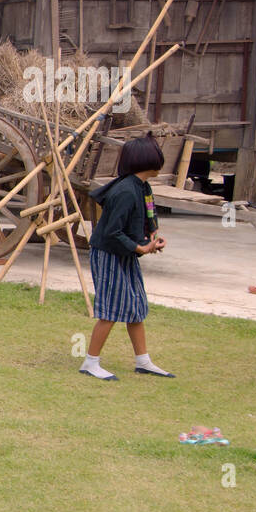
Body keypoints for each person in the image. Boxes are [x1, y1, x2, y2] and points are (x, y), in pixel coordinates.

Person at [80, 133, 173, 380]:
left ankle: (143, 361)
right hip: (109, 254)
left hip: (125, 253)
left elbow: (150, 210)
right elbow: (112, 232)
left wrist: (153, 234)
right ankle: (90, 362)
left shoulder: (144, 187)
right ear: (146, 159)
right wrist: (139, 248)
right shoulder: (124, 192)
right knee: (111, 309)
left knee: (136, 307)